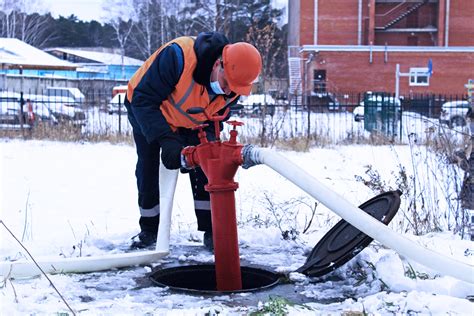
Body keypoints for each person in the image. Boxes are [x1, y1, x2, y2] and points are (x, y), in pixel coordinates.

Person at [124, 32, 262, 249]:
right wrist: (167, 140)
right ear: (218, 64)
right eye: (226, 83)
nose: (227, 91)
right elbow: (144, 100)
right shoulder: (178, 56)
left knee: (209, 165)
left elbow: (218, 113)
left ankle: (212, 230)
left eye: (233, 89)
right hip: (147, 108)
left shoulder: (234, 85)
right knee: (148, 167)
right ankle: (150, 229)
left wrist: (207, 145)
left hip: (193, 120)